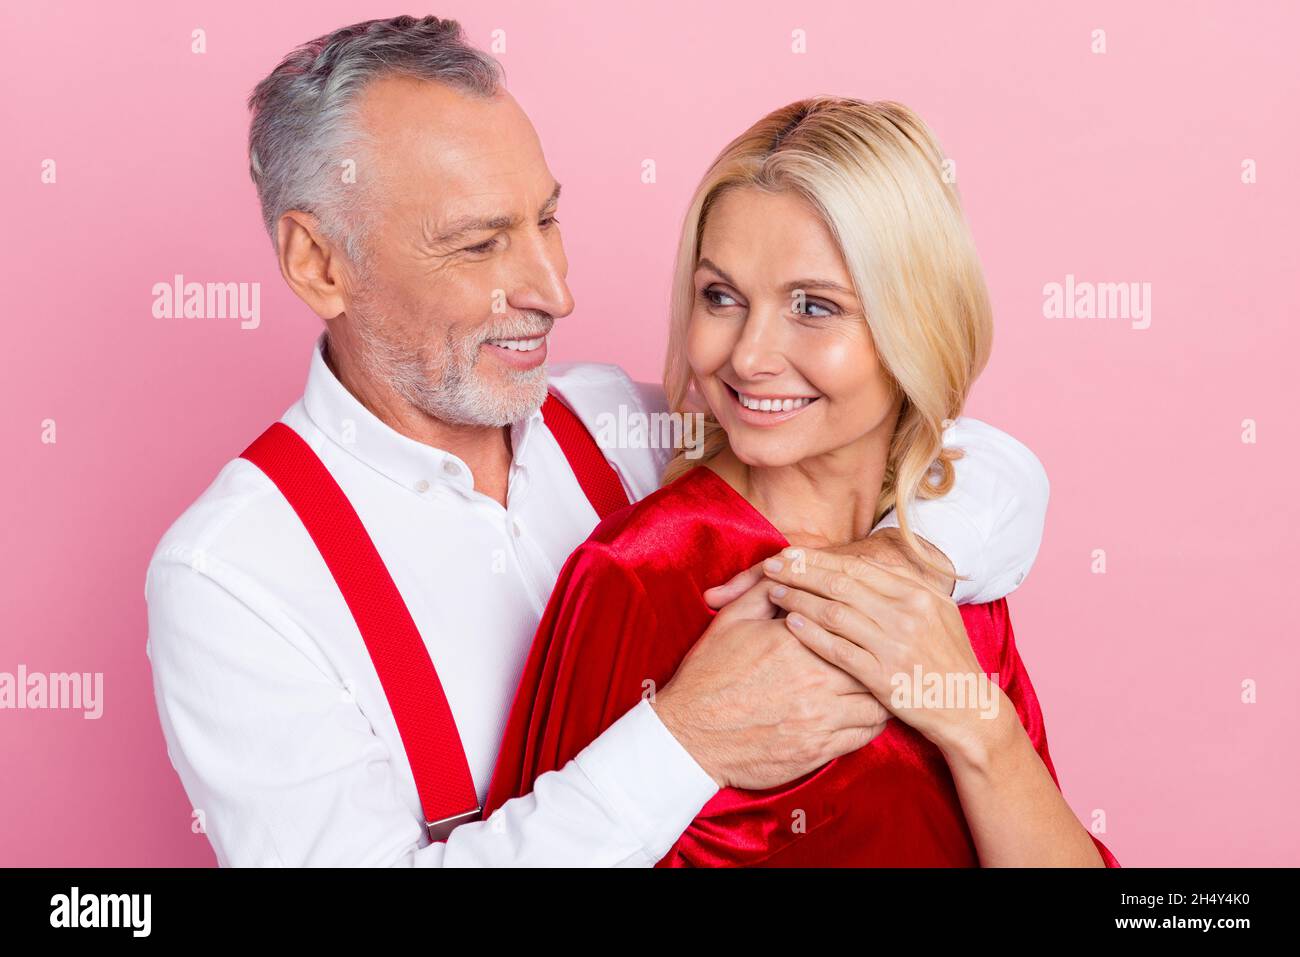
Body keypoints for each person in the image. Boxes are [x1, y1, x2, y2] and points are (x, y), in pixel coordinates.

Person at [145, 16, 1050, 866]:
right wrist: (690, 737)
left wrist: (914, 560)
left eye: (545, 220)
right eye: (479, 244)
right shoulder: (232, 577)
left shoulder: (618, 428)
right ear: (319, 263)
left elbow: (967, 459)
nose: (552, 291)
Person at [485, 97, 1118, 867]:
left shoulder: (939, 553)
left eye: (813, 306)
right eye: (721, 297)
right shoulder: (637, 574)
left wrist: (981, 730)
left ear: (914, 321)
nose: (750, 355)